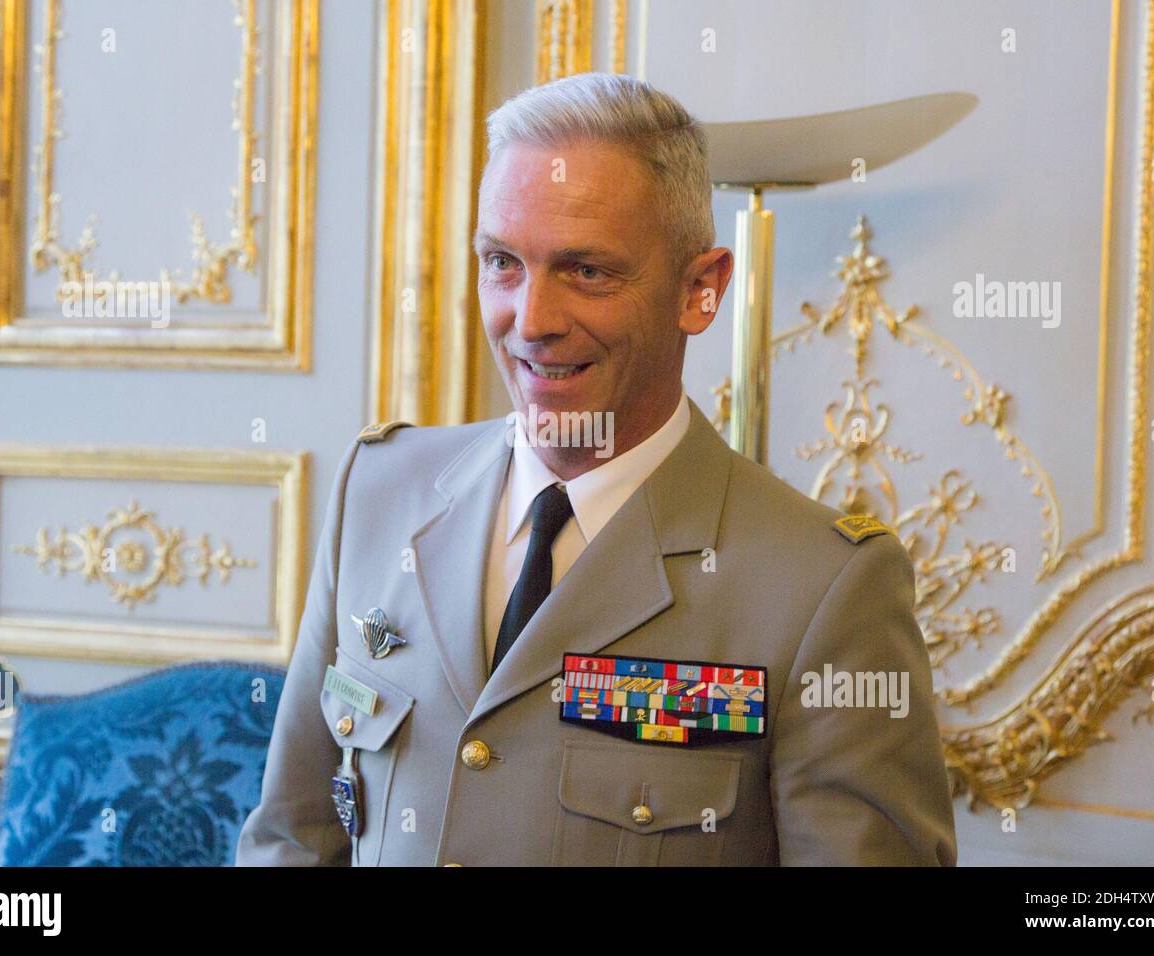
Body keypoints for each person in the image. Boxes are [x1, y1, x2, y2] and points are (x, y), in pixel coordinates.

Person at [236, 71, 957, 866]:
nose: (532, 321)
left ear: (700, 290)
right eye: (502, 262)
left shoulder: (823, 587)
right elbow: (292, 838)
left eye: (587, 271)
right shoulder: (378, 490)